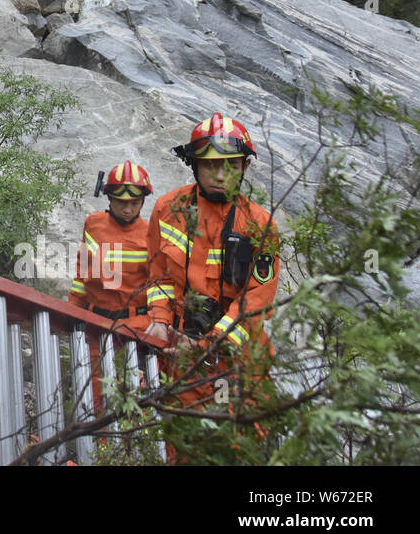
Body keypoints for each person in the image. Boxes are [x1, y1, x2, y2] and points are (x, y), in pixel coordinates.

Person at [144, 113, 279, 457]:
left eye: (231, 165)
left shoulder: (260, 225)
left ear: (244, 167)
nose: (221, 176)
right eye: (211, 165)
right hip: (178, 355)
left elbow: (256, 299)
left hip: (234, 363)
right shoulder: (168, 209)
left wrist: (211, 343)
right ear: (193, 164)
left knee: (231, 446)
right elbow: (159, 277)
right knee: (176, 443)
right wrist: (159, 323)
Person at [69, 161, 154, 414]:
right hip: (94, 324)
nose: (128, 209)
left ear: (142, 201)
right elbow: (82, 273)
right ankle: (98, 449)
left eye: (134, 203)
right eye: (121, 203)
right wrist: (72, 312)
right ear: (108, 198)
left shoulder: (151, 235)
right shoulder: (92, 224)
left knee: (131, 400)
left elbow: (160, 289)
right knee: (93, 395)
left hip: (133, 332)